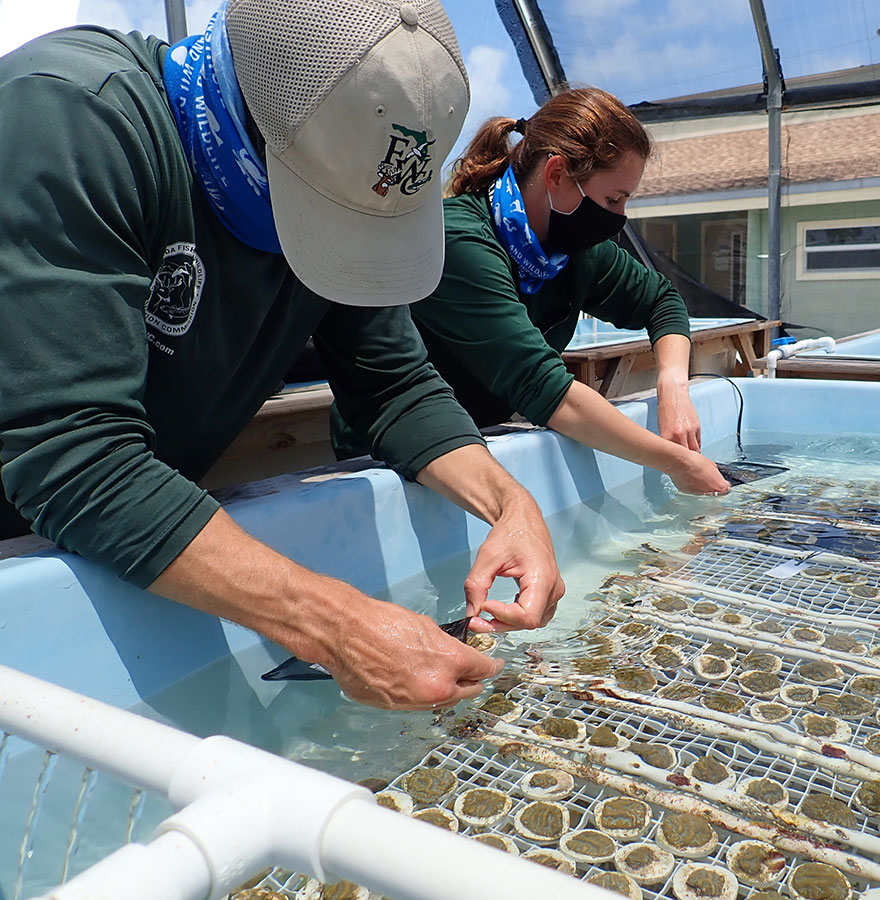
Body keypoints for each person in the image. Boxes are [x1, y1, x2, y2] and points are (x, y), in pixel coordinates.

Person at [0, 0, 565, 710]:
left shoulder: (346, 159)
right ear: (259, 125)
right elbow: (76, 456)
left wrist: (513, 505)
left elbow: (394, 386)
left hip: (123, 539)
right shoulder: (71, 118)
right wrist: (335, 625)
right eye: (332, 214)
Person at [342, 87, 730, 496]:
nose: (619, 218)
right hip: (386, 464)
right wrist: (678, 462)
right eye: (612, 198)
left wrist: (673, 386)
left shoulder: (576, 252)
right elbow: (544, 389)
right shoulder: (456, 243)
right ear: (557, 174)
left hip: (477, 440)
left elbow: (661, 302)